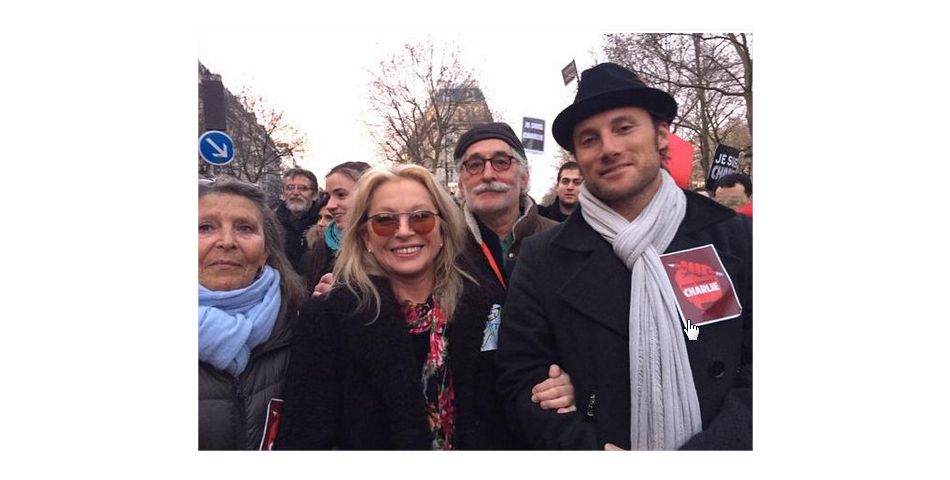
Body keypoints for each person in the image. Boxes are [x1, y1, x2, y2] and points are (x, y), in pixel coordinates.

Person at [495, 62, 752, 450]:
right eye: (589, 139)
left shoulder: (735, 238)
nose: (609, 148)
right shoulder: (541, 259)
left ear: (661, 135)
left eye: (624, 127)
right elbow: (521, 380)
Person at [274, 165, 572, 450]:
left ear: (442, 229)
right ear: (365, 236)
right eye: (385, 220)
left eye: (420, 218)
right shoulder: (328, 317)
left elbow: (516, 394)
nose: (404, 231)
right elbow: (304, 438)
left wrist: (556, 389)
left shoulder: (487, 303)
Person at [198, 178, 308, 450]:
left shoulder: (303, 327)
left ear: (265, 251)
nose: (226, 241)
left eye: (244, 228)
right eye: (205, 227)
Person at [453, 122, 558, 291]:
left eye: (501, 162)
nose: (488, 175)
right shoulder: (442, 246)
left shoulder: (562, 240)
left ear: (524, 178)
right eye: (475, 165)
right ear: (460, 184)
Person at [299, 161, 371, 291]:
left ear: (368, 195)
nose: (330, 205)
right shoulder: (318, 251)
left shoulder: (391, 245)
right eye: (328, 196)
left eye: (341, 194)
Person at [274, 168, 321, 272]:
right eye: (289, 188)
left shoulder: (323, 221)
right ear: (283, 193)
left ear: (314, 195)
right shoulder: (271, 222)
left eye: (302, 188)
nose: (295, 193)